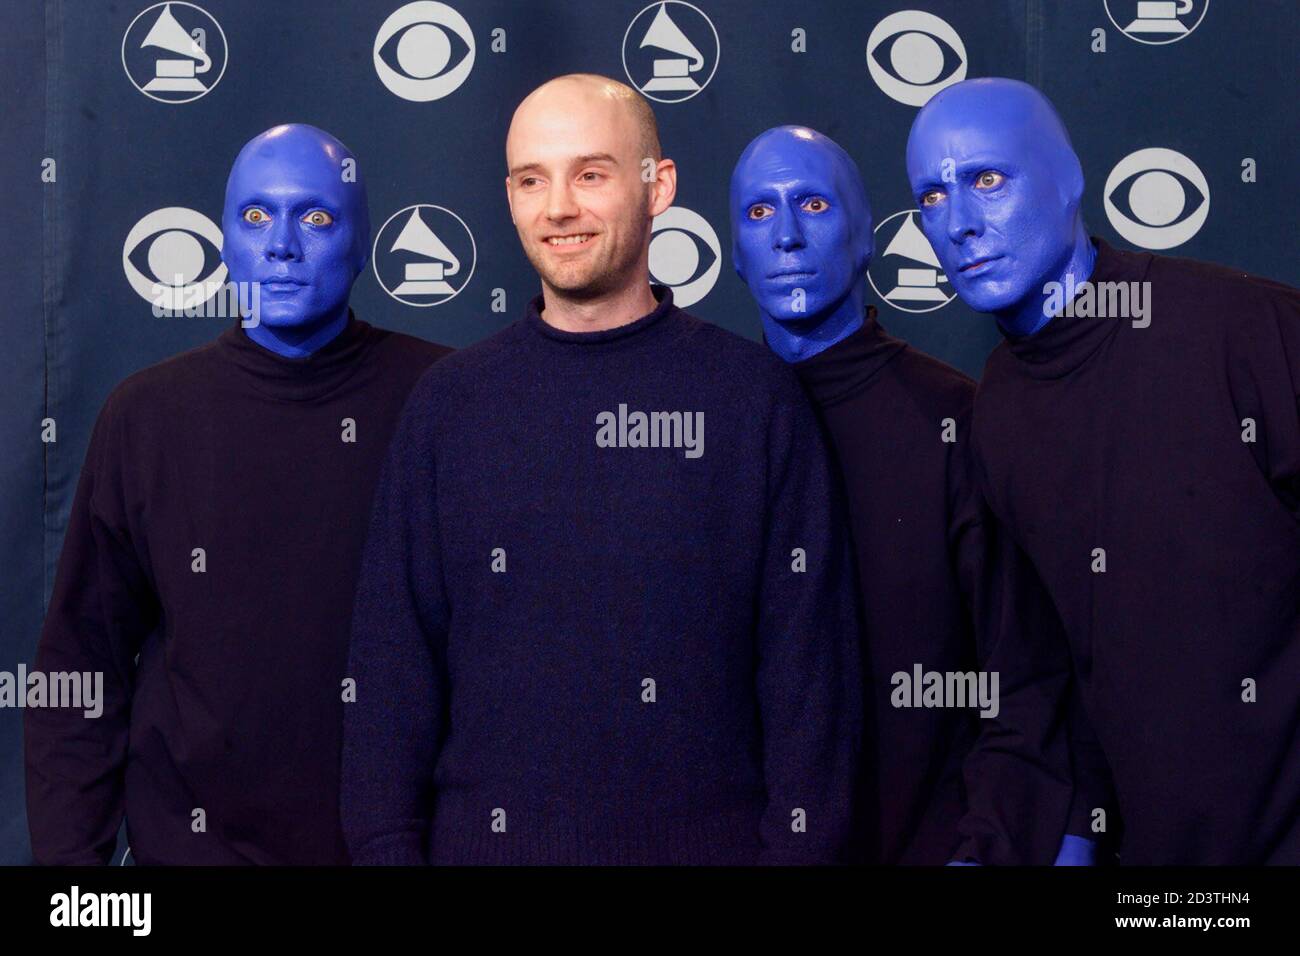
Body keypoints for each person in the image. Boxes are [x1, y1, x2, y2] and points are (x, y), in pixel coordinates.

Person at [340, 75, 862, 865]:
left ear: (661, 187)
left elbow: (809, 689)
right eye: (530, 180)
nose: (558, 208)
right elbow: (390, 676)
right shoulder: (448, 406)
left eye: (590, 174)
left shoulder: (753, 400)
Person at [25, 124, 450, 864]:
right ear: (222, 237)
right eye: (255, 217)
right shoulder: (147, 415)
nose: (281, 245)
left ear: (363, 240)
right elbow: (79, 671)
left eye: (315, 217)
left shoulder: (442, 400)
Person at [907, 77, 1300, 864]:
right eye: (932, 198)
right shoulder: (1000, 415)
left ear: (1068, 177)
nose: (960, 224)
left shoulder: (1246, 330)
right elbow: (1056, 664)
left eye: (987, 179)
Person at [731, 125, 1084, 865]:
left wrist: (981, 849)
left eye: (815, 206)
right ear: (733, 247)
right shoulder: (708, 421)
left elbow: (1024, 674)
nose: (788, 237)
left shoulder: (954, 420)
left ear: (866, 237)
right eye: (760, 214)